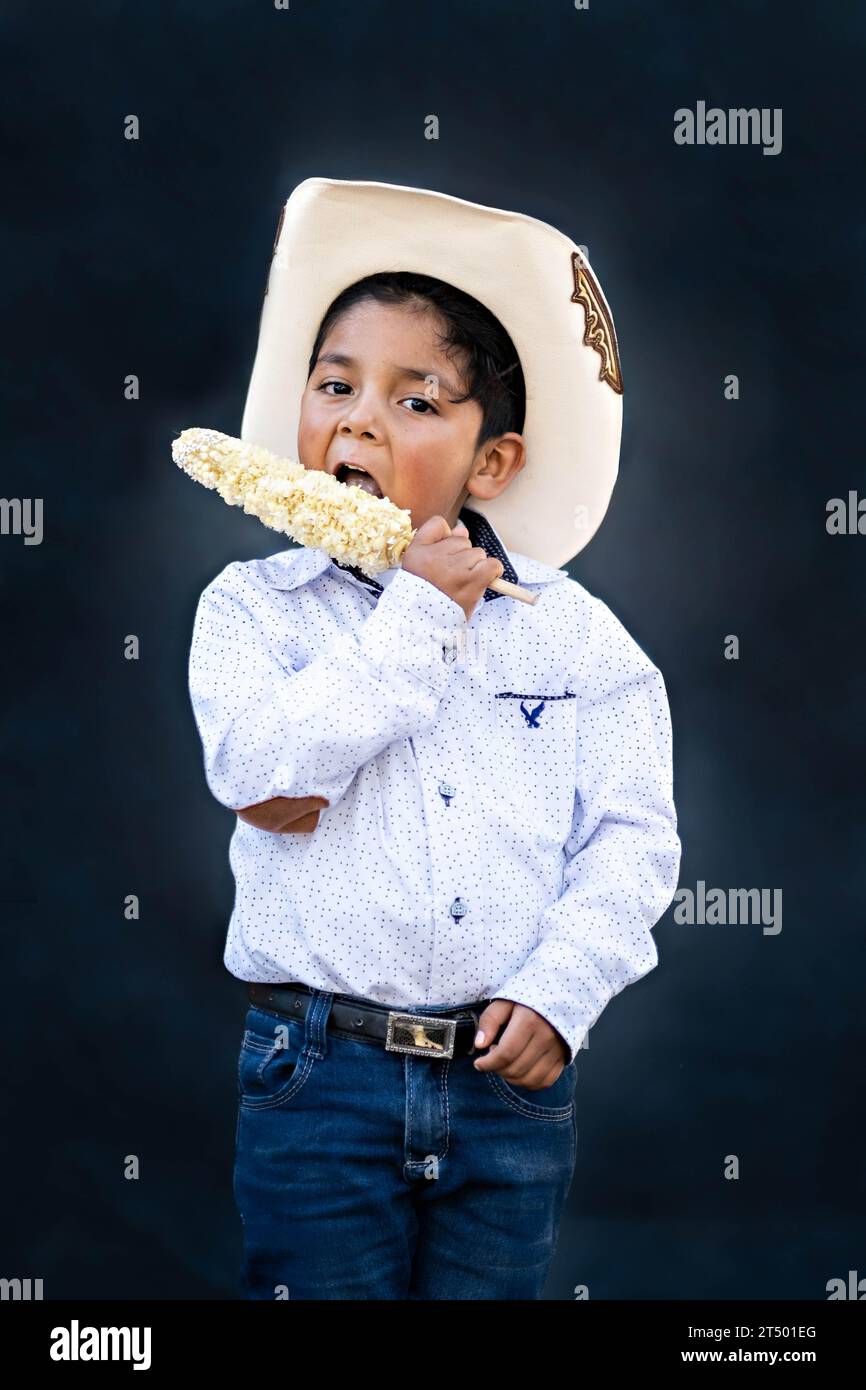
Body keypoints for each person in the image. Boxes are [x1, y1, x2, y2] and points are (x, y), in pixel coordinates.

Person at [187, 177, 682, 1300]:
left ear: (490, 463)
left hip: (501, 1086)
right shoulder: (250, 608)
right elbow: (258, 771)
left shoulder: (575, 634)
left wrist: (565, 989)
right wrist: (418, 612)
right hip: (316, 1073)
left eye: (416, 402)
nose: (358, 419)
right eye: (334, 384)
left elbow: (631, 837)